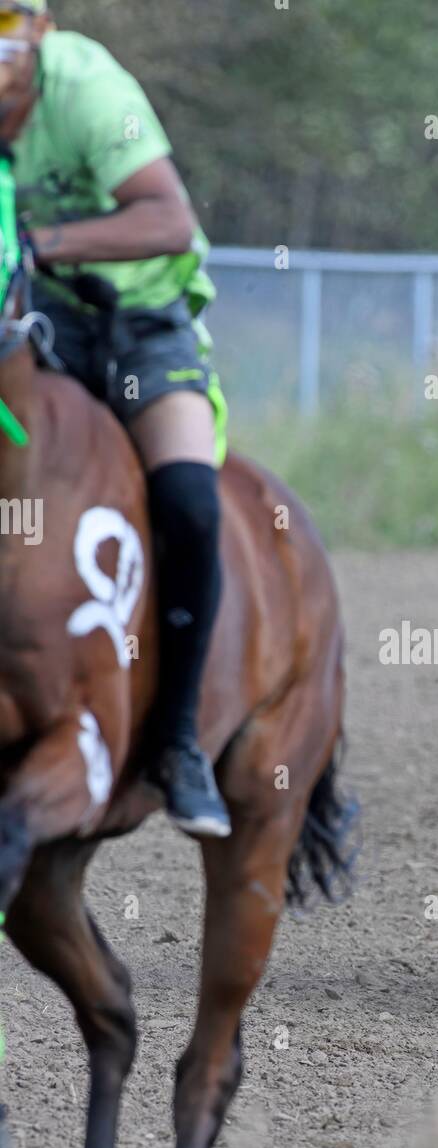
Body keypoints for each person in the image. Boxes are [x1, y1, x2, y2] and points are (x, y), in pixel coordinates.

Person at [0, 0, 231, 834]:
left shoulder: (89, 86)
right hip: (35, 325)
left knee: (190, 507)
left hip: (141, 325)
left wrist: (37, 239)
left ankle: (176, 741)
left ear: (39, 36)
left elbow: (169, 218)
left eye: (6, 41)